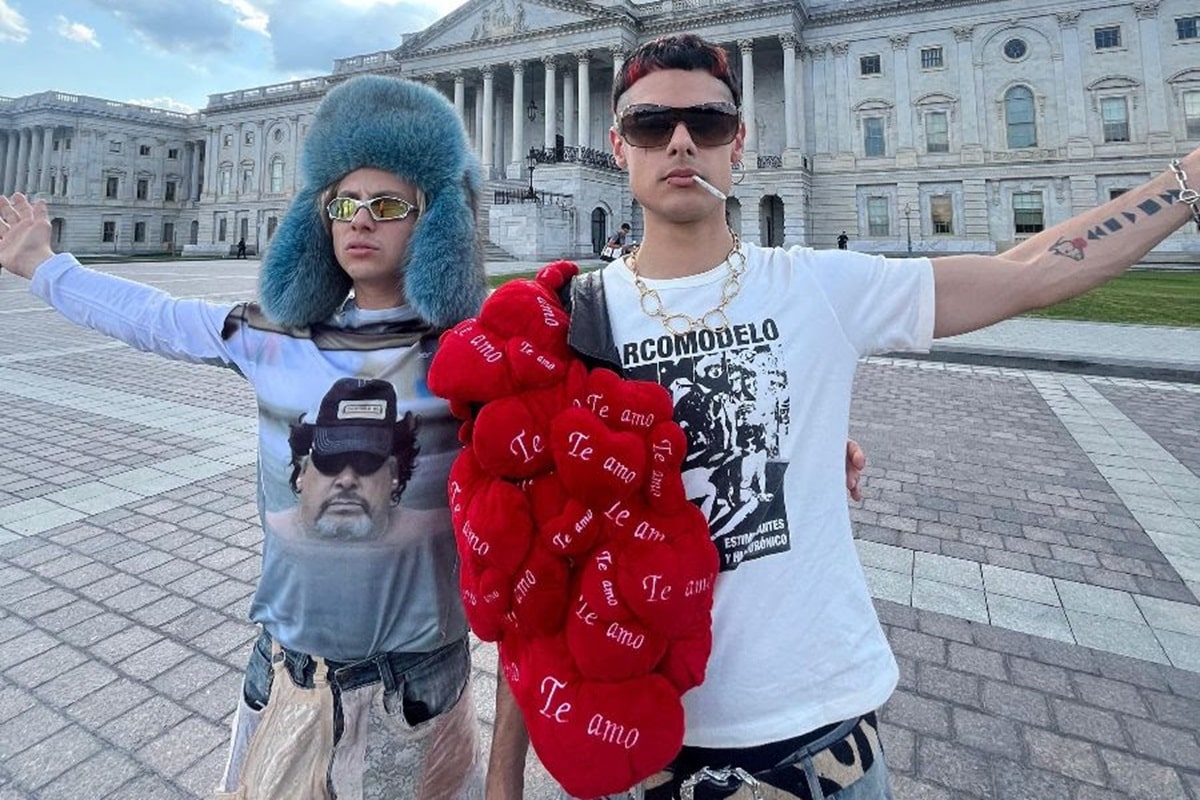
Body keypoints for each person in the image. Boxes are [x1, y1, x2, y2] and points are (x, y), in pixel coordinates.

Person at [486, 32, 1200, 800]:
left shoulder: (817, 287)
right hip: (644, 743)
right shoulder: (567, 319)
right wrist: (501, 784)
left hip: (823, 734)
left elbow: (1025, 274)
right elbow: (532, 579)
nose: (682, 141)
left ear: (740, 144)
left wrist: (1188, 182)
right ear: (618, 146)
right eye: (652, 125)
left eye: (710, 123)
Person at [0, 74, 490, 799]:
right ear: (318, 220)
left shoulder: (468, 353)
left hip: (412, 681)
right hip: (285, 664)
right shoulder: (272, 338)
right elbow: (155, 317)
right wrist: (44, 265)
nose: (361, 221)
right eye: (343, 205)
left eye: (387, 206)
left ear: (433, 221)